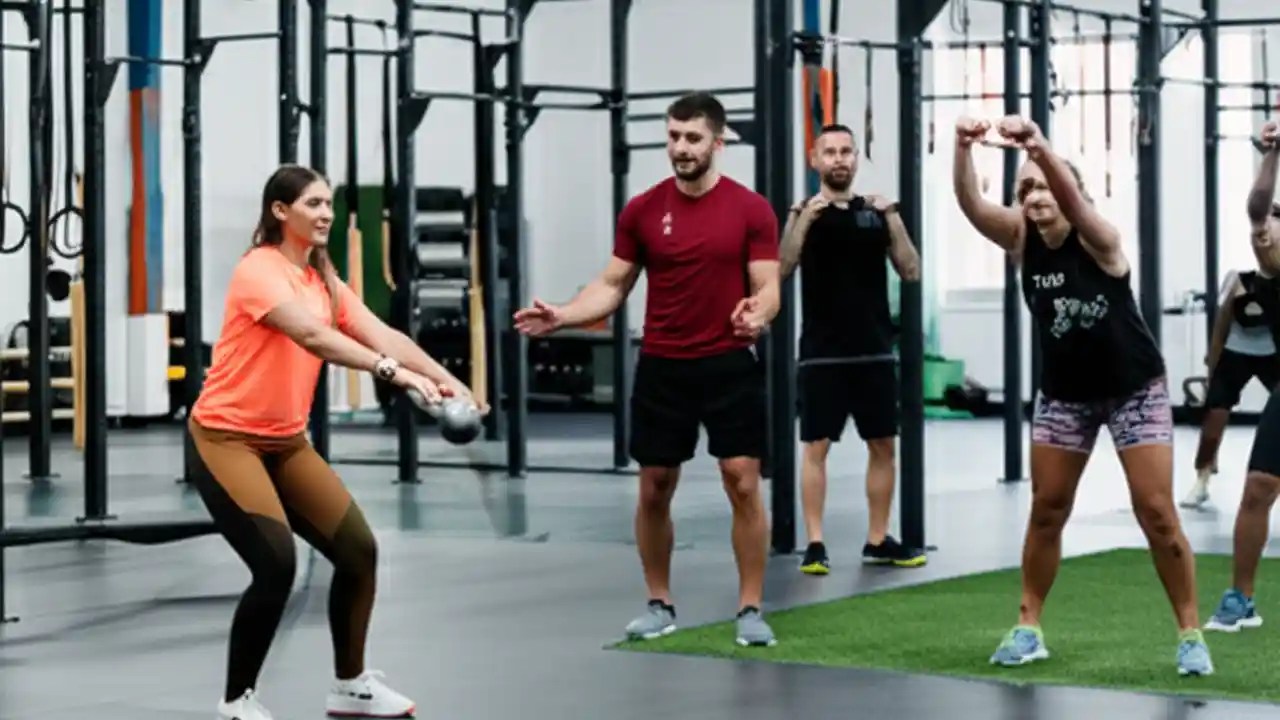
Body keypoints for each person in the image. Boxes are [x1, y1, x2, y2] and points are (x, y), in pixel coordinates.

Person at [189, 164, 484, 720]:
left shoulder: (321, 276)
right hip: (225, 438)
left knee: (358, 552)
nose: (326, 214)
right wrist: (395, 374)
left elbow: (381, 332)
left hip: (285, 442)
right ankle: (236, 700)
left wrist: (448, 380)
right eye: (313, 204)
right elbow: (311, 335)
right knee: (276, 566)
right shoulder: (260, 270)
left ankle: (349, 686)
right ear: (281, 211)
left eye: (329, 204)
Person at [513, 92, 781, 647]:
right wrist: (563, 314)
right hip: (663, 363)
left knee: (743, 481)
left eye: (692, 138)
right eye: (673, 137)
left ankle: (750, 608)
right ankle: (659, 602)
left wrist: (759, 312)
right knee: (655, 487)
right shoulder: (642, 209)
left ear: (717, 142)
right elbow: (612, 285)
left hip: (729, 363)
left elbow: (768, 285)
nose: (680, 148)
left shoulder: (751, 209)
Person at [951, 115, 1213, 676]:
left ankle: (1191, 633)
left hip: (1132, 390)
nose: (1033, 195)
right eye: (1024, 189)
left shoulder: (1101, 241)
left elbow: (1074, 202)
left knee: (1158, 513)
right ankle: (1028, 626)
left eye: (1044, 185)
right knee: (1046, 510)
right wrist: (962, 147)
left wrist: (1041, 151)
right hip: (1065, 395)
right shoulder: (1023, 240)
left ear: (1071, 192)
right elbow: (972, 206)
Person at [778, 123, 926, 574]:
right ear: (815, 159)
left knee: (883, 446)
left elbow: (912, 270)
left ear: (856, 158)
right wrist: (801, 217)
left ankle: (878, 540)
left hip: (875, 349)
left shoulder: (875, 214)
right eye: (830, 152)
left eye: (846, 151)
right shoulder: (805, 213)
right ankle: (816, 544)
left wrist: (894, 215)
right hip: (823, 351)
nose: (838, 159)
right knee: (816, 447)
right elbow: (781, 268)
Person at [1204, 120, 1280, 633]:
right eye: (1268, 221)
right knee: (1258, 486)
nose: (1267, 225)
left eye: (1279, 217)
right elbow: (1257, 211)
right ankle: (1240, 600)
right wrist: (1273, 155)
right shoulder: (1270, 262)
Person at [1182, 266, 1279, 509]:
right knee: (1215, 416)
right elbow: (1221, 326)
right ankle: (1202, 480)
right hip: (1235, 353)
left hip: (1272, 355)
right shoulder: (1239, 280)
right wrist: (1212, 365)